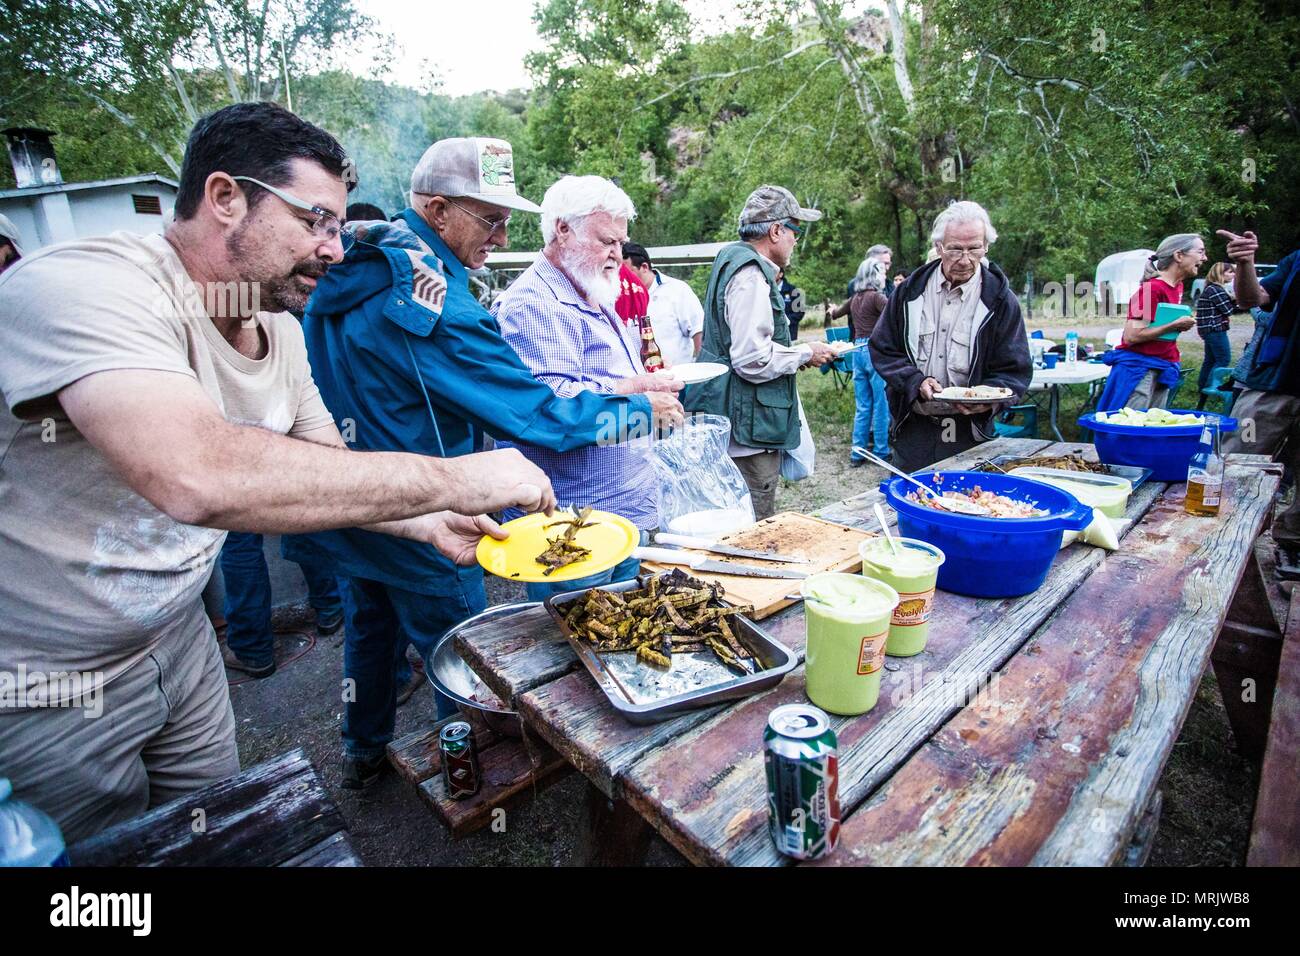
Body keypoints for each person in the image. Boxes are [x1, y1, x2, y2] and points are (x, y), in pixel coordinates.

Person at [0, 104, 557, 842]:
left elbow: (331, 469)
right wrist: (454, 480)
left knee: (216, 837)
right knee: (99, 868)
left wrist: (427, 522)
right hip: (47, 676)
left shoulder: (279, 327)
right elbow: (194, 472)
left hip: (181, 643)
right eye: (315, 222)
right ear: (225, 197)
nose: (335, 248)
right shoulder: (88, 287)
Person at [284, 146, 681, 787]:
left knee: (370, 626)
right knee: (462, 652)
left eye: (507, 221)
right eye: (489, 220)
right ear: (437, 211)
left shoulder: (354, 262)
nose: (501, 238)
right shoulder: (435, 303)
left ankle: (361, 751)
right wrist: (640, 415)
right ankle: (476, 774)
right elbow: (535, 416)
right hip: (428, 516)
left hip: (349, 499)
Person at [492, 175, 687, 598]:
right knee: (576, 648)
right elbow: (551, 408)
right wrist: (641, 404)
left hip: (620, 513)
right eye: (606, 241)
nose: (617, 254)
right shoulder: (533, 304)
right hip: (572, 529)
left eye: (621, 242)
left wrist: (644, 383)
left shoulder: (590, 289)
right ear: (563, 229)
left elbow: (598, 380)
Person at [685, 184, 838, 519]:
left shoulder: (731, 259)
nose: (796, 239)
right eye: (795, 230)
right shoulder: (751, 274)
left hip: (733, 422)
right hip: (746, 434)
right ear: (775, 230)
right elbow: (751, 358)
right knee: (751, 526)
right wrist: (803, 353)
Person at [870, 201, 1031, 472]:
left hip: (971, 433)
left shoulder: (1001, 301)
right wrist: (914, 381)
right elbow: (883, 348)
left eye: (974, 248)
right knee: (912, 502)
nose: (965, 259)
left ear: (986, 247)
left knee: (971, 504)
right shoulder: (909, 293)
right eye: (955, 249)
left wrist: (987, 400)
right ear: (939, 247)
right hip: (914, 427)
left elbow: (1015, 372)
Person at [1217, 229, 1300, 569]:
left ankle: (1293, 544)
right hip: (1275, 381)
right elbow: (1253, 298)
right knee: (1234, 462)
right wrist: (1246, 263)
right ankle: (1214, 531)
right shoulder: (1296, 260)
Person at [1096, 234, 1205, 411]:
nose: (1204, 258)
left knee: (1152, 426)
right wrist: (1174, 325)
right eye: (1200, 252)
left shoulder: (1177, 286)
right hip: (1139, 372)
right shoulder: (1151, 290)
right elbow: (1132, 336)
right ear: (1179, 256)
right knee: (1130, 429)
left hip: (1162, 366)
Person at [831, 258, 891, 464]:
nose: (885, 276)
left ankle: (857, 452)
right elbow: (895, 314)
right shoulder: (876, 297)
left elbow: (835, 313)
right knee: (881, 404)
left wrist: (830, 309)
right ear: (874, 275)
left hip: (857, 350)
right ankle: (882, 450)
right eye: (882, 272)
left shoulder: (854, 299)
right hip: (875, 350)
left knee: (863, 405)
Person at [625, 241, 705, 365]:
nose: (624, 279)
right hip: (643, 379)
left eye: (628, 273)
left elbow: (698, 329)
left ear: (645, 267)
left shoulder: (676, 290)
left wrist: (702, 370)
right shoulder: (621, 298)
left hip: (680, 376)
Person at [1194, 260, 1237, 409]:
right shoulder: (1216, 290)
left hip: (1208, 329)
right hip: (1215, 329)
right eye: (1230, 271)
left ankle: (1202, 392)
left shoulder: (1212, 288)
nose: (1233, 274)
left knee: (1210, 360)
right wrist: (1236, 300)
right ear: (1220, 273)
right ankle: (1210, 388)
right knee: (1223, 359)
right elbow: (1229, 310)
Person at [780, 274, 806, 341]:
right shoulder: (767, 289)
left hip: (790, 334)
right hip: (771, 336)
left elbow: (800, 311)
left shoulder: (792, 290)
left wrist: (785, 321)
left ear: (781, 274)